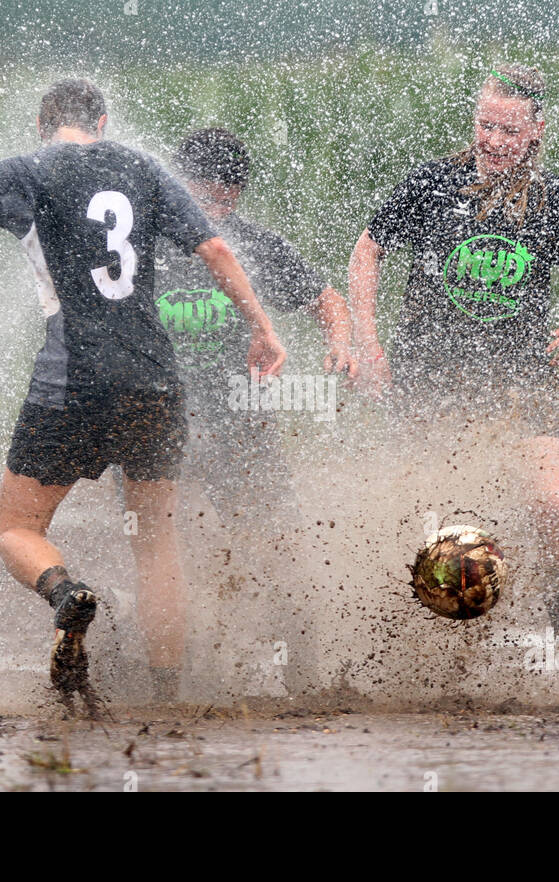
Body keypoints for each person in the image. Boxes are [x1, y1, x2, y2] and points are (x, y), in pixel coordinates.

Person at [0, 79, 286, 709]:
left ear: (42, 124)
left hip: (72, 382)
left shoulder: (29, 171)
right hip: (154, 380)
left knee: (16, 527)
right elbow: (217, 247)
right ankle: (167, 698)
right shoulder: (144, 170)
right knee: (157, 546)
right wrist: (263, 328)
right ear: (104, 122)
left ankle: (64, 594)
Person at [346, 64, 559, 634]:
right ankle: (429, 652)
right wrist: (368, 343)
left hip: (520, 379)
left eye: (509, 132)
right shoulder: (431, 183)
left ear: (537, 130)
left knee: (557, 508)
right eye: (485, 126)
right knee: (435, 530)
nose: (493, 142)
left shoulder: (552, 199)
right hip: (427, 377)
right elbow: (367, 252)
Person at [147, 127, 357, 693]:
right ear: (174, 184)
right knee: (166, 551)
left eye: (226, 193)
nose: (215, 203)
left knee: (279, 546)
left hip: (242, 425)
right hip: (158, 425)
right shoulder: (141, 246)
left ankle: (307, 679)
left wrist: (340, 342)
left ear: (238, 194)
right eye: (202, 191)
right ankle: (169, 681)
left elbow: (327, 299)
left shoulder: (256, 245)